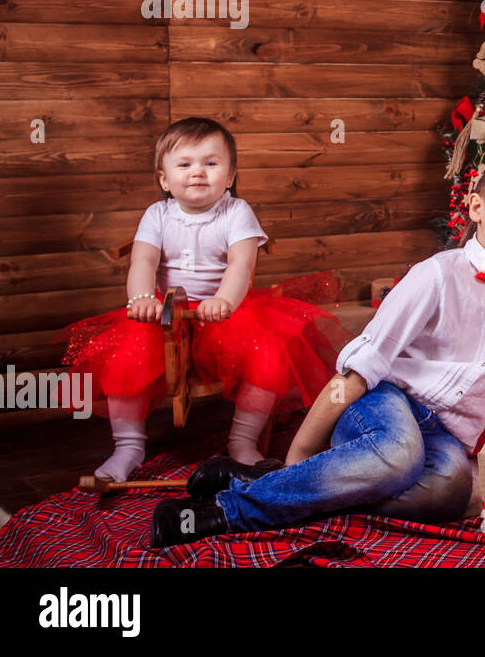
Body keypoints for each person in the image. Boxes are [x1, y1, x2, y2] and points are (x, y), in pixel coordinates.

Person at [150, 152, 485, 547]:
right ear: (476, 207)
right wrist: (297, 454)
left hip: (445, 432)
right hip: (381, 401)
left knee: (450, 490)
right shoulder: (434, 276)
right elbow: (357, 372)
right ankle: (232, 508)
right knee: (398, 454)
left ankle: (284, 482)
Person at [60, 117, 343, 482]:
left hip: (224, 310)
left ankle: (242, 439)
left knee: (267, 354)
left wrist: (224, 299)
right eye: (184, 164)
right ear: (164, 179)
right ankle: (127, 446)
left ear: (229, 175)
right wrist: (143, 297)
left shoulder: (236, 212)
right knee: (124, 354)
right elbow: (143, 260)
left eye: (211, 163)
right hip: (166, 310)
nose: (198, 172)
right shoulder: (157, 215)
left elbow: (242, 263)